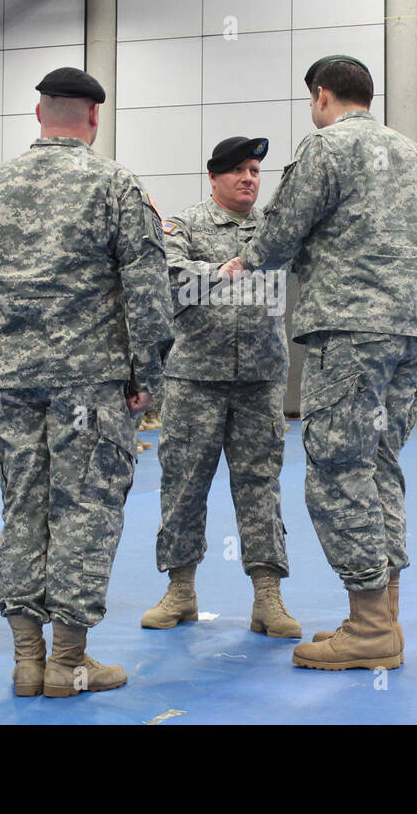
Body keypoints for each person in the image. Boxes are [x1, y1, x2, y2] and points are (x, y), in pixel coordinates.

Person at [0, 67, 172, 697]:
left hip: (10, 383)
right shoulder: (116, 184)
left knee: (22, 509)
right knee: (86, 512)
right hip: (90, 385)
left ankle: (25, 660)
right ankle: (68, 662)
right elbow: (149, 291)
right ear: (95, 116)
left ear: (37, 113)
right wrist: (145, 374)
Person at [221, 55, 417, 671]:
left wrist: (246, 262)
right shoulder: (415, 156)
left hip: (347, 333)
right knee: (379, 466)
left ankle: (368, 627)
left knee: (338, 471)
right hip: (408, 334)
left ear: (321, 96)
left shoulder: (324, 150)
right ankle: (385, 619)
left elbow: (281, 234)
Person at [141, 135, 299, 638]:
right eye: (239, 171)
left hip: (260, 379)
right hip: (194, 379)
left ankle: (267, 597)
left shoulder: (273, 231)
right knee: (184, 485)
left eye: (255, 171)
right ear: (214, 177)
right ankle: (180, 590)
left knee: (261, 487)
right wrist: (219, 272)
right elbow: (165, 275)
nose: (249, 179)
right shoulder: (186, 225)